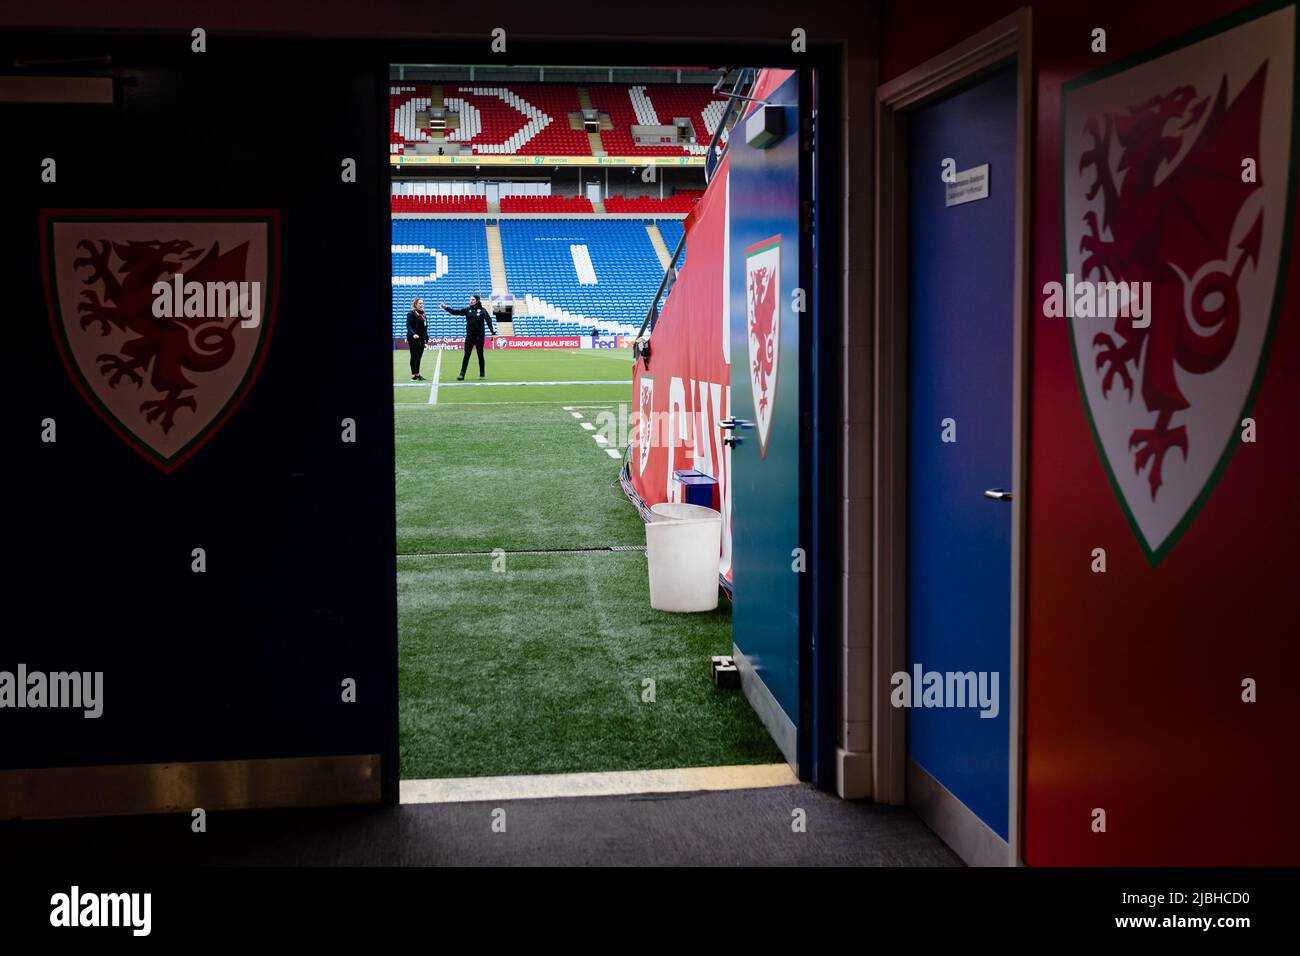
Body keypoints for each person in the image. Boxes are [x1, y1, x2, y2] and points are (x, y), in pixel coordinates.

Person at [440, 295, 496, 380]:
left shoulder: (483, 310)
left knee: (480, 355)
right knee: (466, 355)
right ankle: (462, 374)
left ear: (477, 300)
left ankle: (482, 373)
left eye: (473, 299)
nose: (471, 301)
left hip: (479, 337)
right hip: (469, 337)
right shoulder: (467, 309)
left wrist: (492, 332)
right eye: (470, 299)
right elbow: (456, 312)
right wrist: (446, 308)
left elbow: (489, 321)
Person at [405, 298, 428, 381]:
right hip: (413, 338)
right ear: (415, 304)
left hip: (421, 338)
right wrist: (413, 334)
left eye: (422, 303)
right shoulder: (411, 313)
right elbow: (408, 326)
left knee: (419, 356)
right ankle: (413, 375)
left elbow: (425, 326)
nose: (422, 305)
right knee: (414, 356)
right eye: (420, 303)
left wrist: (426, 337)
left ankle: (417, 374)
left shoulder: (423, 314)